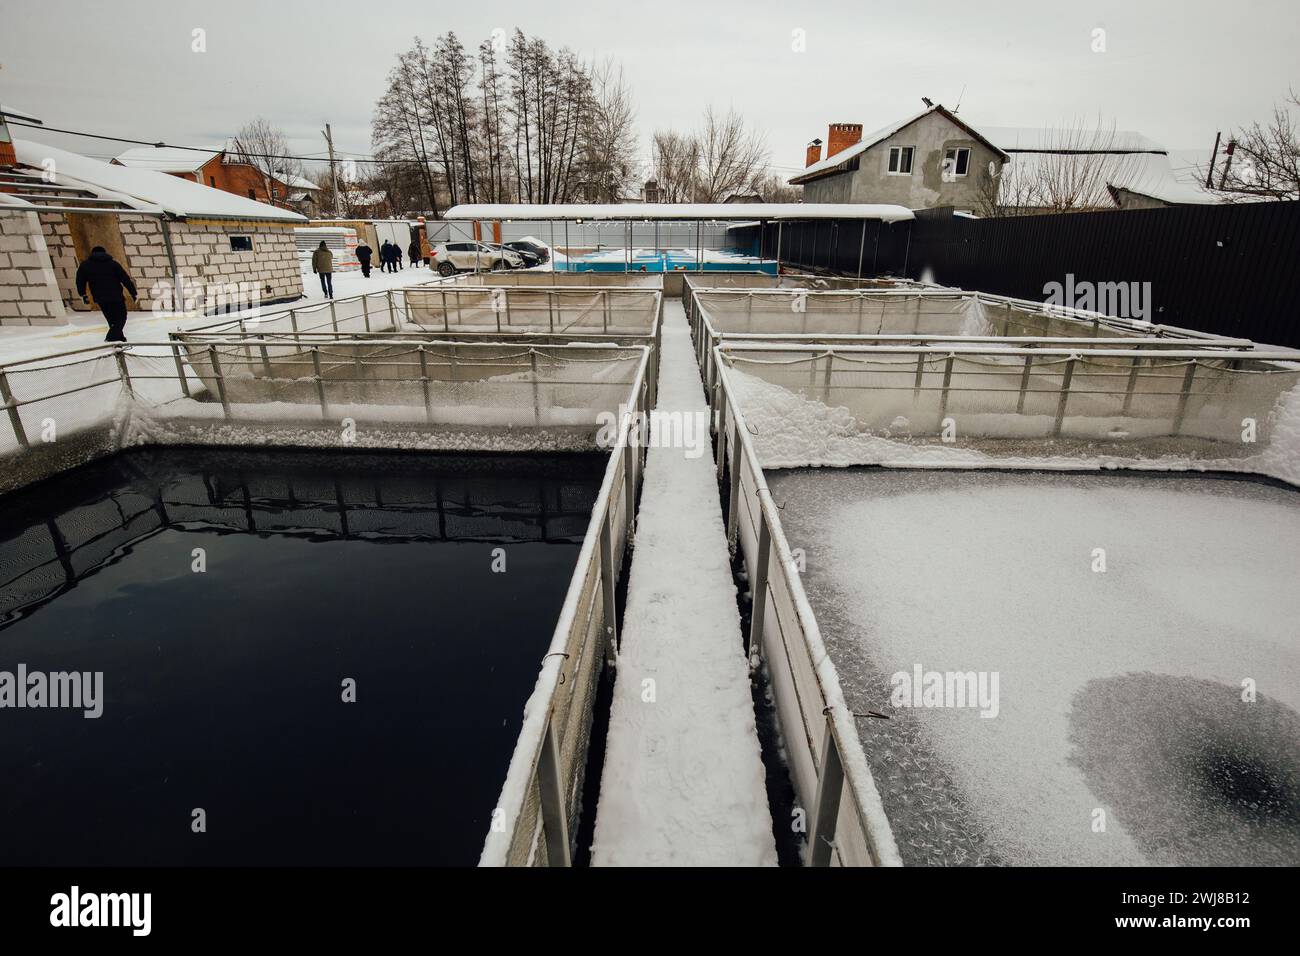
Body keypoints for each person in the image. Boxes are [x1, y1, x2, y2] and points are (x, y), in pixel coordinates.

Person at [75, 246, 137, 343]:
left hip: (100, 297)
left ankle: (119, 338)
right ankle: (111, 338)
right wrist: (133, 292)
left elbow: (80, 281)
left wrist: (83, 294)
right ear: (105, 253)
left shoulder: (85, 265)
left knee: (111, 319)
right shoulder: (113, 264)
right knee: (121, 317)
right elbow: (125, 279)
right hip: (116, 296)